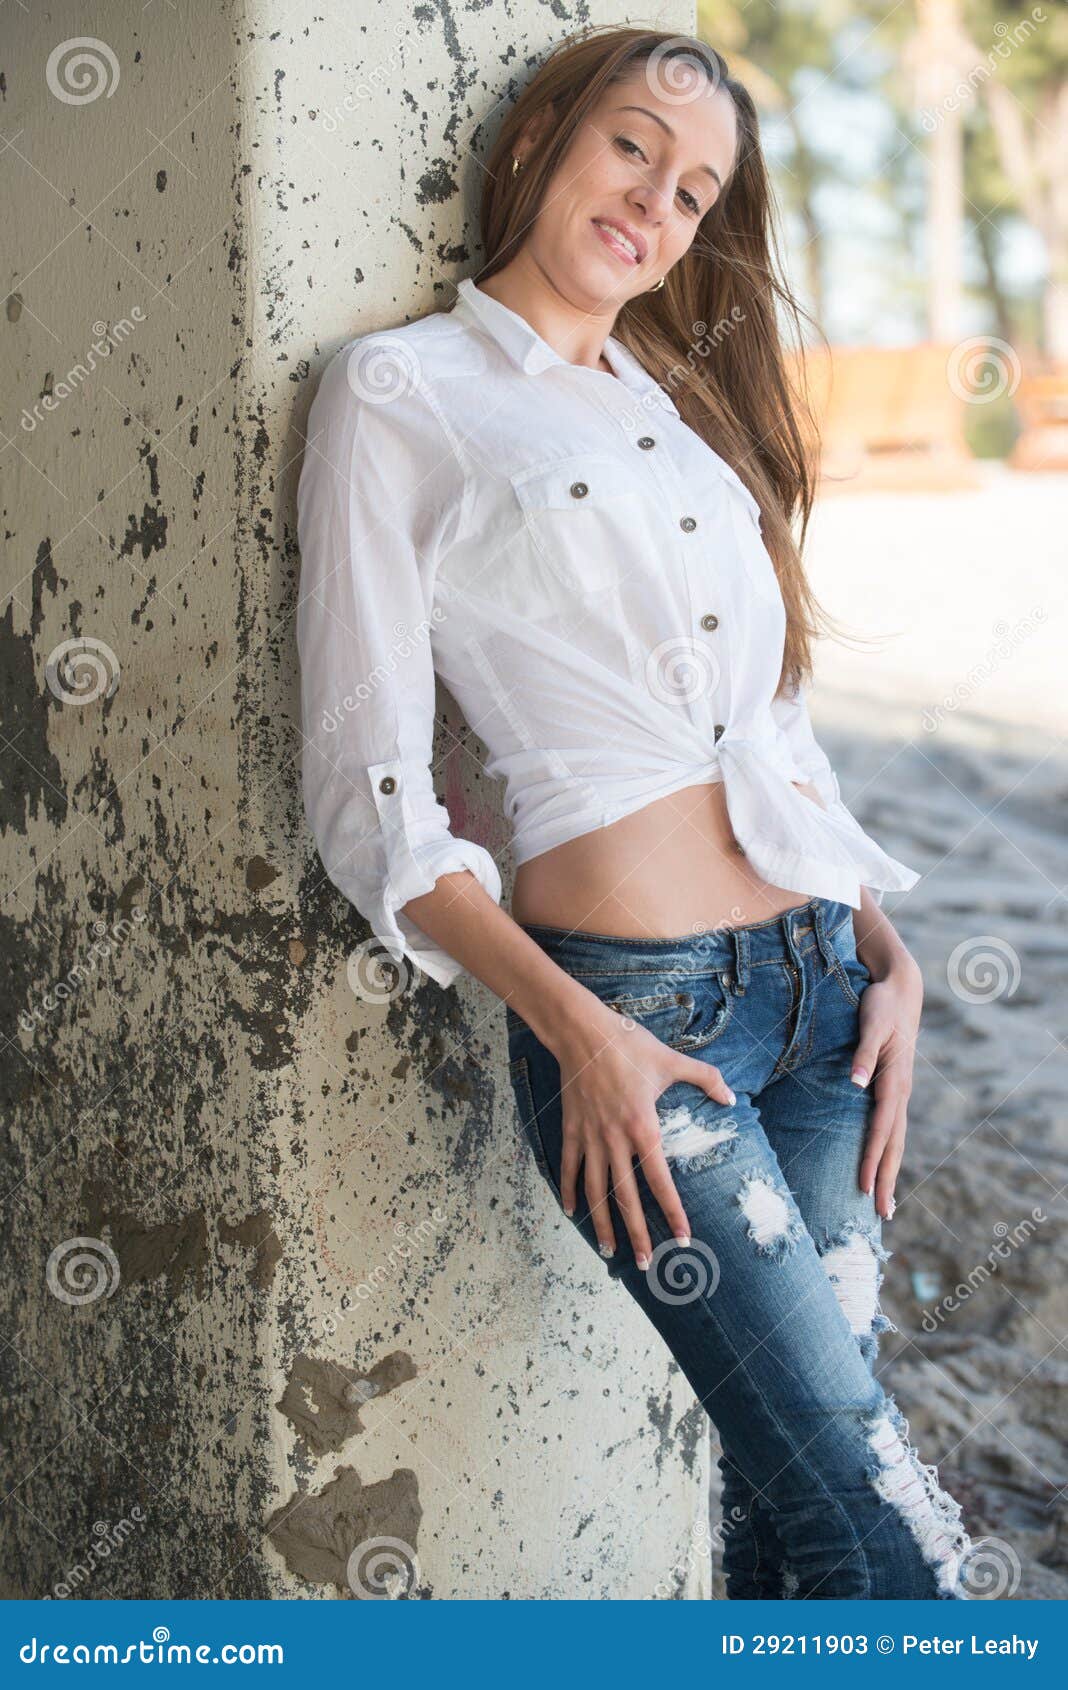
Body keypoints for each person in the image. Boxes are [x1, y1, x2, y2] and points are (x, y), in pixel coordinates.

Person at [295, 24, 976, 1599]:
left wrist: (888, 945)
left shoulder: (673, 417)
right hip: (647, 1023)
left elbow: (774, 724)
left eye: (694, 192)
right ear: (544, 133)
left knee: (788, 1515)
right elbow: (370, 793)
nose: (656, 204)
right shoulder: (402, 389)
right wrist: (574, 1033)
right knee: (883, 1533)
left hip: (825, 1005)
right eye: (631, 149)